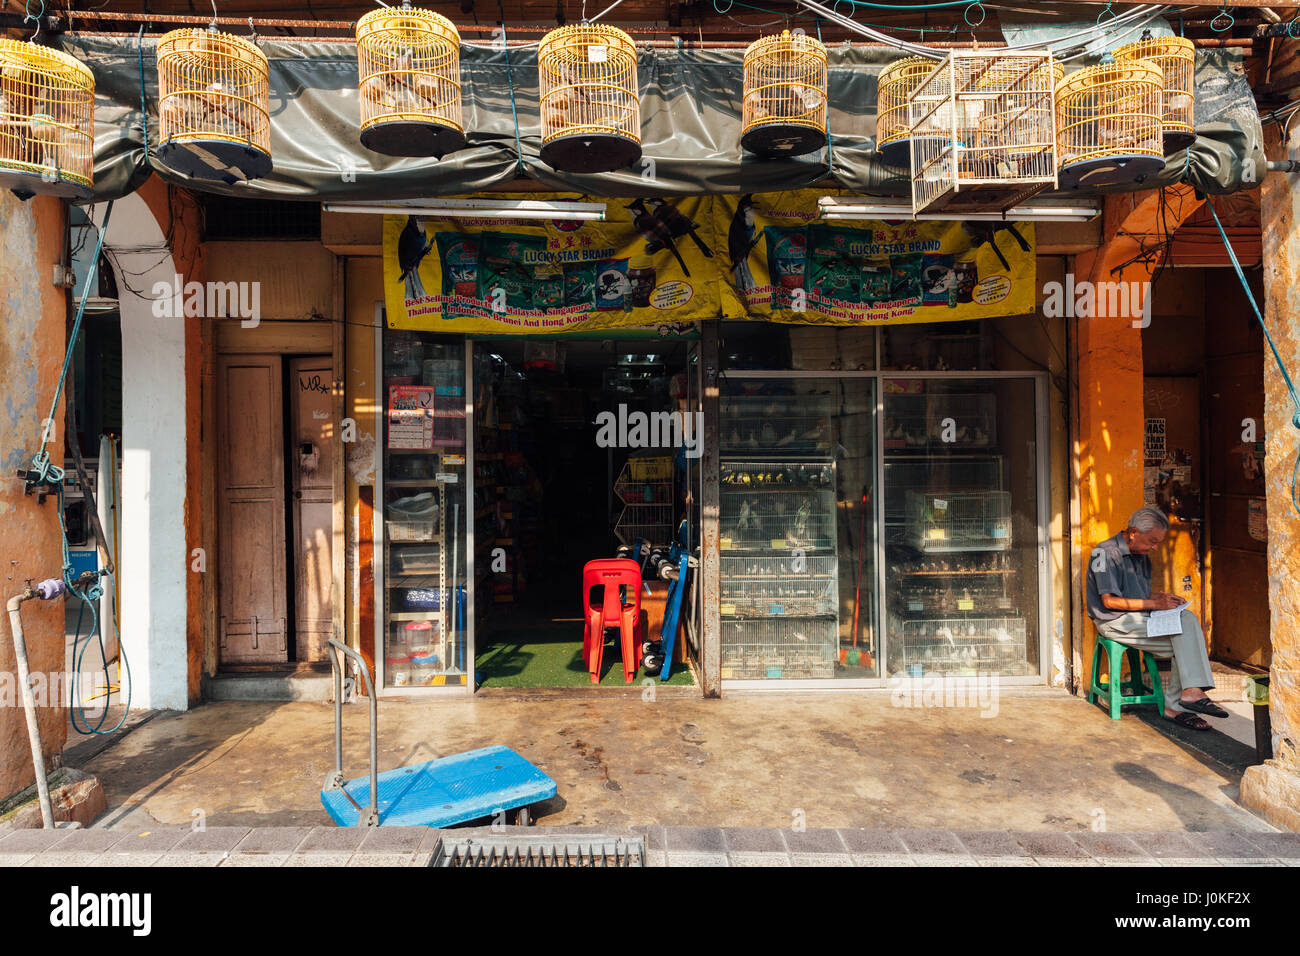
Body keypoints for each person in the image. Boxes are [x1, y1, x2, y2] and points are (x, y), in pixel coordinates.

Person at [1085, 507, 1228, 731]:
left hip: (1139, 619)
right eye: (1152, 541)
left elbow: (1138, 598)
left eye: (1158, 543)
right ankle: (1179, 703)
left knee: (1187, 618)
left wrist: (1163, 600)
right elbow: (1110, 602)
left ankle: (1187, 695)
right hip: (1114, 621)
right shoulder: (1103, 553)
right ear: (1133, 532)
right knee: (1186, 642)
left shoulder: (1142, 557)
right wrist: (1155, 604)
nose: (1154, 547)